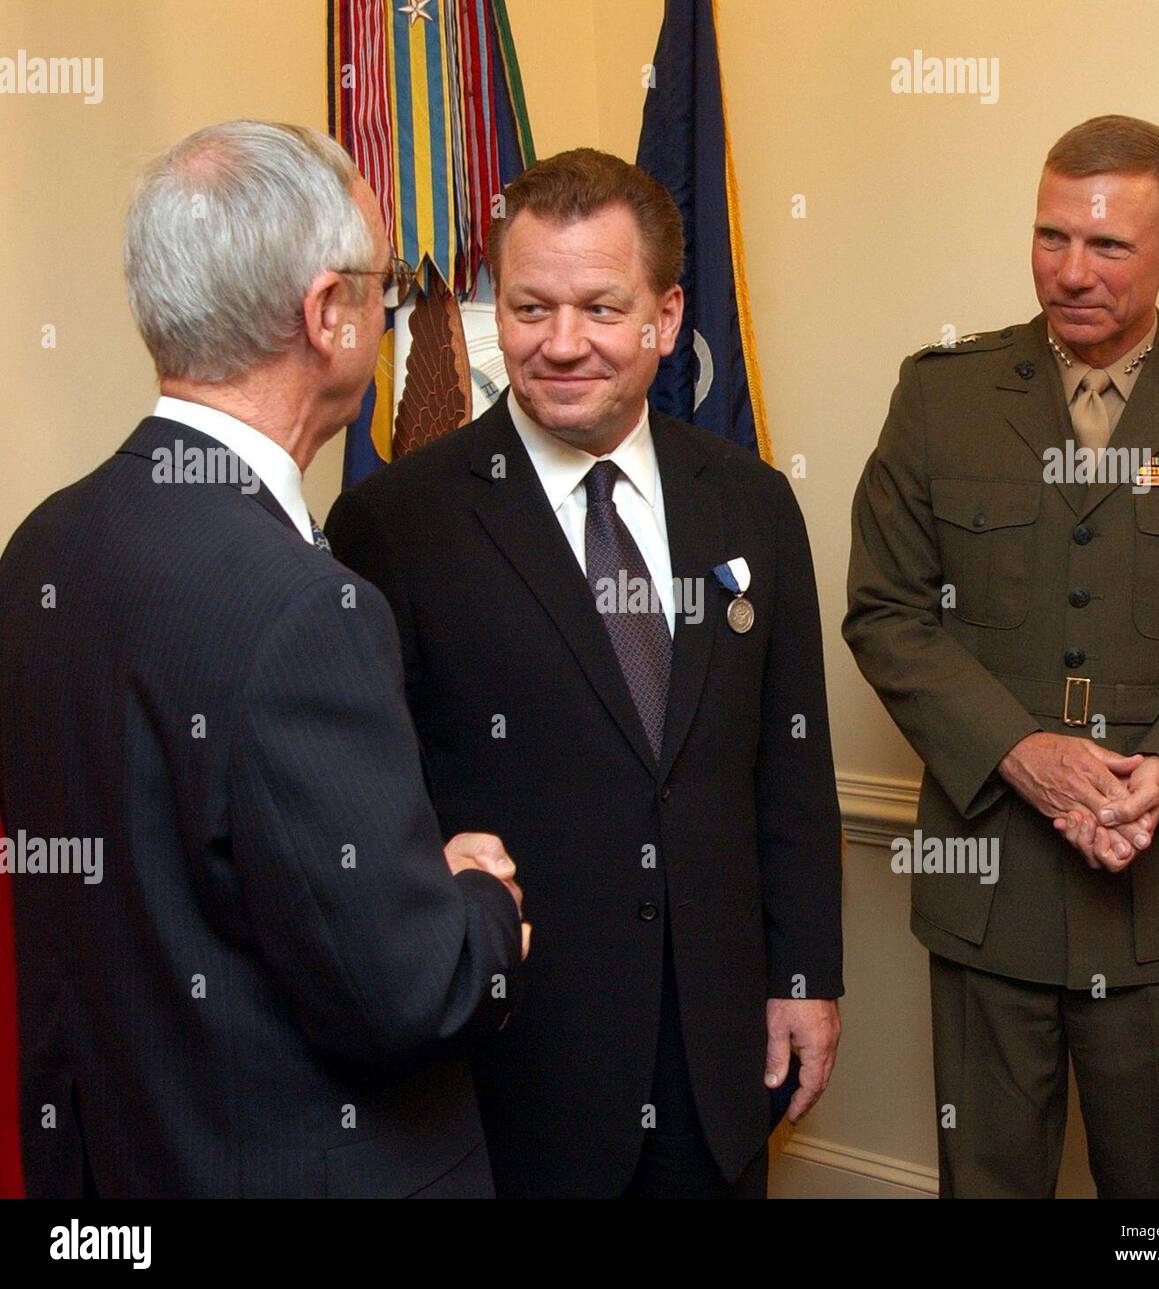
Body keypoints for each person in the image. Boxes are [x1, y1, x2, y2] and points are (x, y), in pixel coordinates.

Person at [0, 120, 526, 1198]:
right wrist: (478, 904)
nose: (384, 322)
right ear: (325, 311)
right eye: (381, 294)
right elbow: (410, 993)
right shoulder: (305, 608)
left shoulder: (43, 542)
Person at [327, 148, 843, 1198]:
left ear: (665, 316)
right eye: (530, 308)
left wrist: (804, 977)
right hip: (517, 1065)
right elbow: (372, 805)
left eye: (602, 309)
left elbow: (789, 772)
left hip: (716, 1060)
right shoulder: (398, 521)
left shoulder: (751, 504)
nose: (562, 345)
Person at [843, 114, 1159, 1198]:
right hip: (987, 879)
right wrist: (1019, 751)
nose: (1070, 270)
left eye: (1108, 246)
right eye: (1052, 236)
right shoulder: (941, 397)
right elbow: (886, 610)